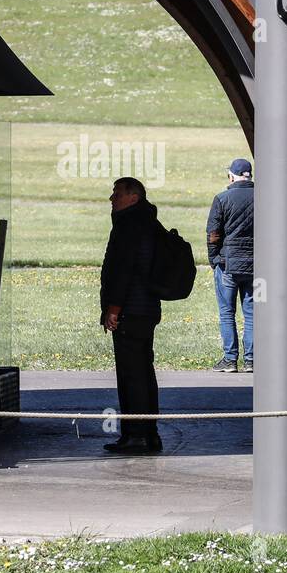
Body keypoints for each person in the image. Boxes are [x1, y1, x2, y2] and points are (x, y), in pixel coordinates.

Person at [100, 176, 163, 454]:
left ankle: (136, 435)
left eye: (117, 194)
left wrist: (113, 309)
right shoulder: (147, 221)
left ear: (133, 198)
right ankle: (149, 433)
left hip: (131, 311)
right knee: (144, 373)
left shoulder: (128, 224)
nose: (112, 199)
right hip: (145, 309)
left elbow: (123, 269)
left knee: (131, 376)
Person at [207, 157, 254, 373]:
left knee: (227, 313)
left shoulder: (222, 198)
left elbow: (213, 234)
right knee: (252, 313)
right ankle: (251, 360)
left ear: (232, 176)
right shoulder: (264, 197)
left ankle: (230, 359)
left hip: (227, 264)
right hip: (256, 266)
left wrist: (214, 260)